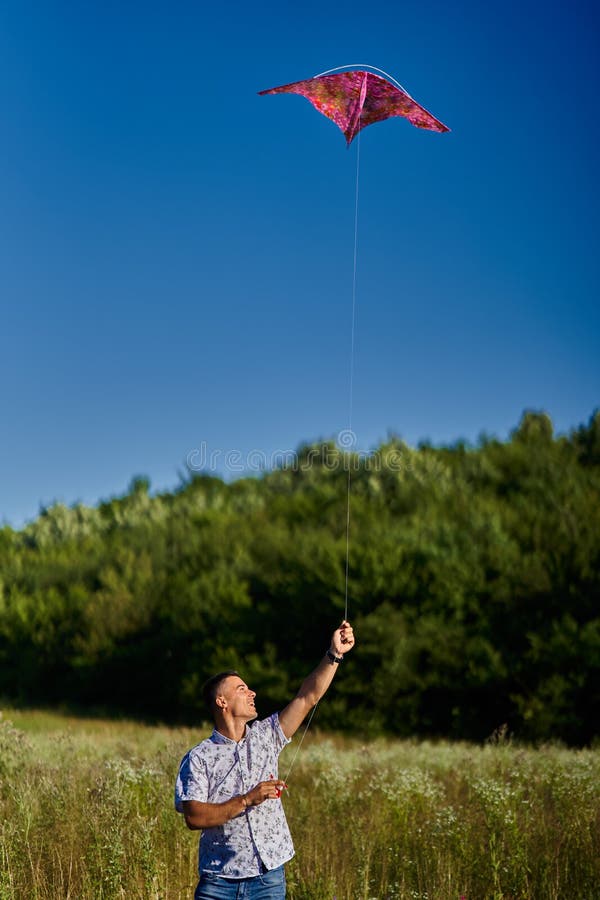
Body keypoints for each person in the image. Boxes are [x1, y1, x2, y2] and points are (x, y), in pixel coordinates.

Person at [175, 619, 355, 899]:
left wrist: (334, 655)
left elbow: (307, 697)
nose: (252, 693)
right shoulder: (199, 757)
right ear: (221, 702)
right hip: (218, 883)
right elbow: (194, 816)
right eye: (241, 689)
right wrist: (247, 799)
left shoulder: (266, 736)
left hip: (268, 879)